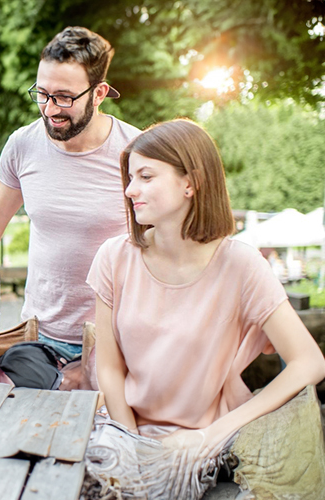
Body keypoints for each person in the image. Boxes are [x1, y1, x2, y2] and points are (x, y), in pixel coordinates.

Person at [86, 119, 325, 474]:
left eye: (146, 177)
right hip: (124, 432)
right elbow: (108, 367)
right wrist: (131, 442)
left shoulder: (242, 265)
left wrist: (210, 436)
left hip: (209, 445)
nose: (130, 190)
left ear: (191, 183)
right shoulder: (113, 257)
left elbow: (309, 362)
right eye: (131, 177)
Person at [0, 26, 140, 370]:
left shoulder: (135, 152)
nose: (49, 109)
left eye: (64, 97)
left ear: (98, 93)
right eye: (42, 93)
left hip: (116, 340)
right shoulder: (22, 145)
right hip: (37, 338)